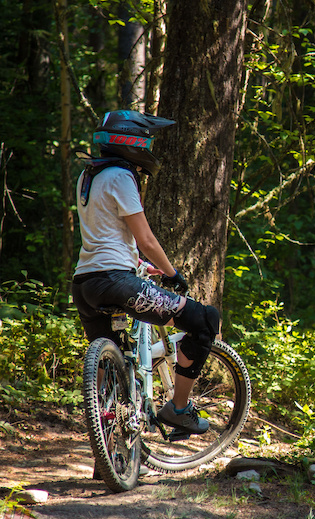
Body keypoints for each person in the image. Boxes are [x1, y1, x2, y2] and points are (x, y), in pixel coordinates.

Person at [72, 110, 220, 436]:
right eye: (146, 139)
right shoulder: (121, 176)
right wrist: (171, 273)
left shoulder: (88, 177)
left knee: (106, 376)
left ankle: (106, 456)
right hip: (116, 284)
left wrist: (138, 265)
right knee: (205, 320)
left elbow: (106, 236)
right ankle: (179, 410)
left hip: (85, 284)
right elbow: (146, 239)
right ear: (132, 142)